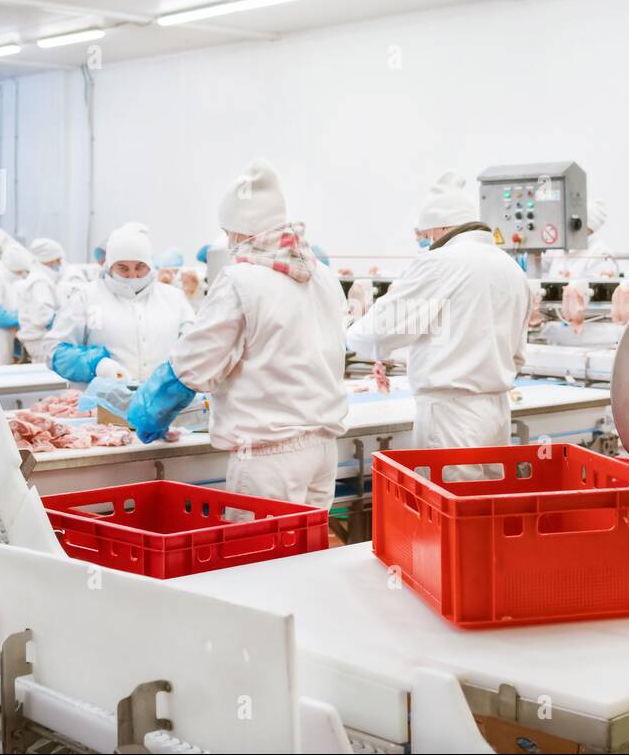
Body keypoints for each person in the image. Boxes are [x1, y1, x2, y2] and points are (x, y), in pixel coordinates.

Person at [128, 161, 347, 508]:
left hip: (269, 458)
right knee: (309, 556)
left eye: (228, 230)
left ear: (240, 230)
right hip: (323, 449)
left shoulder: (241, 280)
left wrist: (149, 410)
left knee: (261, 560)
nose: (227, 239)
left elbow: (195, 363)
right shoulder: (323, 276)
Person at [346, 172, 532, 472]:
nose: (428, 242)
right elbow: (514, 352)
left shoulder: (441, 263)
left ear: (443, 227)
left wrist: (347, 334)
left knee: (451, 511)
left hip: (451, 419)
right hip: (497, 414)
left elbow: (379, 333)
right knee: (489, 508)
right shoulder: (511, 268)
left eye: (428, 235)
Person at [48, 224, 194, 383]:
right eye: (123, 268)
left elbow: (193, 346)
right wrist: (96, 365)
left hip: (164, 404)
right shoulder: (86, 297)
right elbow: (54, 350)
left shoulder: (174, 298)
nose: (133, 275)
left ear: (150, 264)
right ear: (109, 266)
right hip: (103, 404)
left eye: (140, 266)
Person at [15, 238, 68, 365]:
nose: (59, 264)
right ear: (49, 259)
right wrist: (65, 321)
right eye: (58, 260)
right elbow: (43, 317)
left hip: (41, 341)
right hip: (40, 342)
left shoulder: (41, 278)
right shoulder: (40, 281)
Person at [542, 200, 616, 279]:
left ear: (589, 227)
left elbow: (593, 286)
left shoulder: (601, 253)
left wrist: (570, 279)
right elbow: (541, 263)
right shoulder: (561, 246)